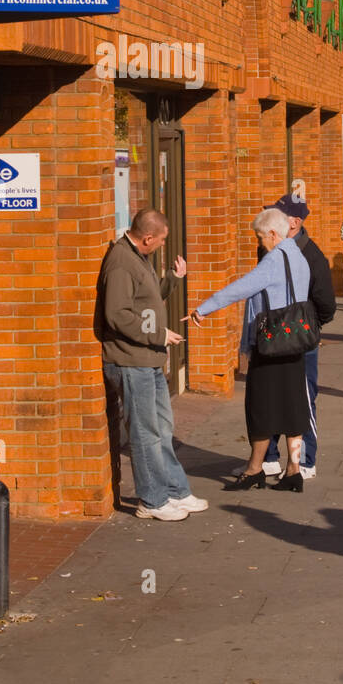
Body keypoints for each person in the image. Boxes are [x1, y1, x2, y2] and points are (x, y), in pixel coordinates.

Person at [94, 207, 208, 521]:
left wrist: (173, 279)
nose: (162, 245)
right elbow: (117, 315)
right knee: (145, 433)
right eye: (160, 240)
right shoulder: (121, 263)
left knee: (161, 428)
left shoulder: (137, 257)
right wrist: (159, 334)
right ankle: (152, 500)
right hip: (132, 362)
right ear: (147, 238)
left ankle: (175, 490)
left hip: (148, 358)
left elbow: (149, 298)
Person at [187, 208, 311, 492]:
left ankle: (254, 469)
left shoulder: (273, 260)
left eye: (260, 237)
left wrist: (204, 308)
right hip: (295, 341)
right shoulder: (299, 256)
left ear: (273, 234)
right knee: (293, 406)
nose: (259, 243)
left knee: (260, 407)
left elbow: (240, 288)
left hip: (271, 344)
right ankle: (294, 470)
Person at [236, 195, 335, 480]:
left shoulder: (311, 255)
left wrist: (308, 328)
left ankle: (304, 461)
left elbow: (326, 303)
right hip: (270, 337)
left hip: (298, 338)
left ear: (295, 222)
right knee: (270, 399)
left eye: (279, 214)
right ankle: (269, 458)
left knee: (301, 400)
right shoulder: (269, 248)